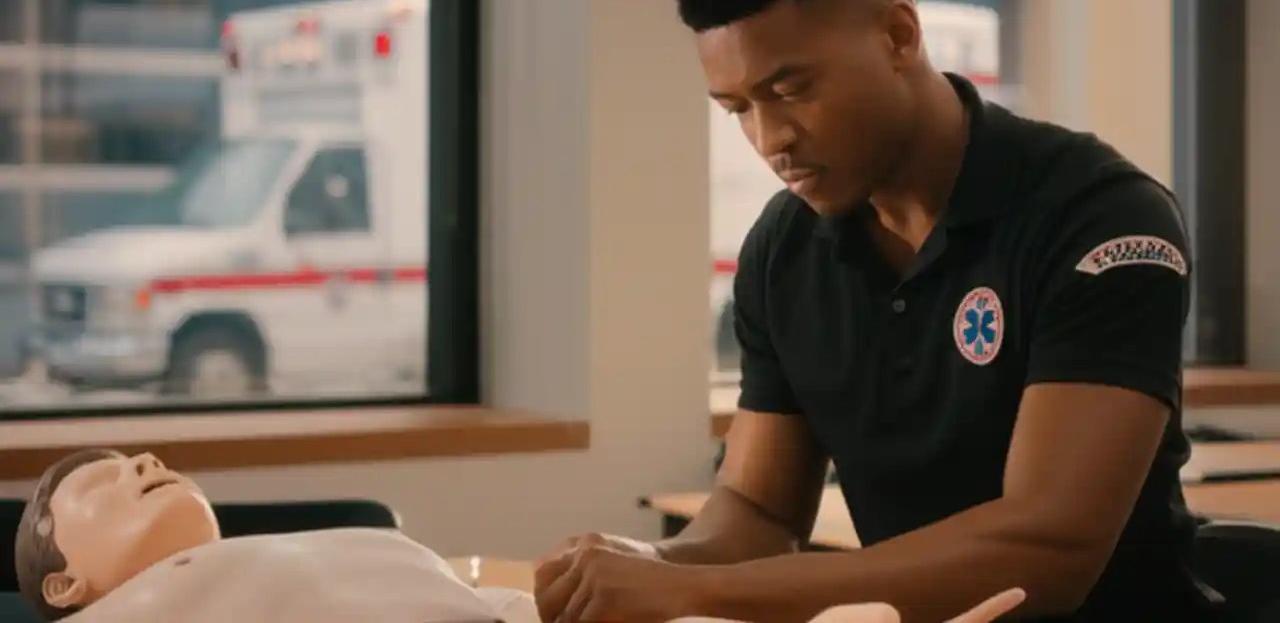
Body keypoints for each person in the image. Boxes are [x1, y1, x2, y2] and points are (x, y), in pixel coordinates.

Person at [534, 0, 1221, 621]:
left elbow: (1045, 551)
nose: (770, 140)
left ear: (898, 35)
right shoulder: (783, 248)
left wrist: (693, 590)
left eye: (790, 91)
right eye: (737, 108)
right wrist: (646, 565)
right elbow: (758, 512)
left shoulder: (1100, 217)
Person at [12, 448, 1022, 623]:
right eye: (102, 479)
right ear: (64, 588)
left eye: (143, 458)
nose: (141, 463)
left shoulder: (305, 549)